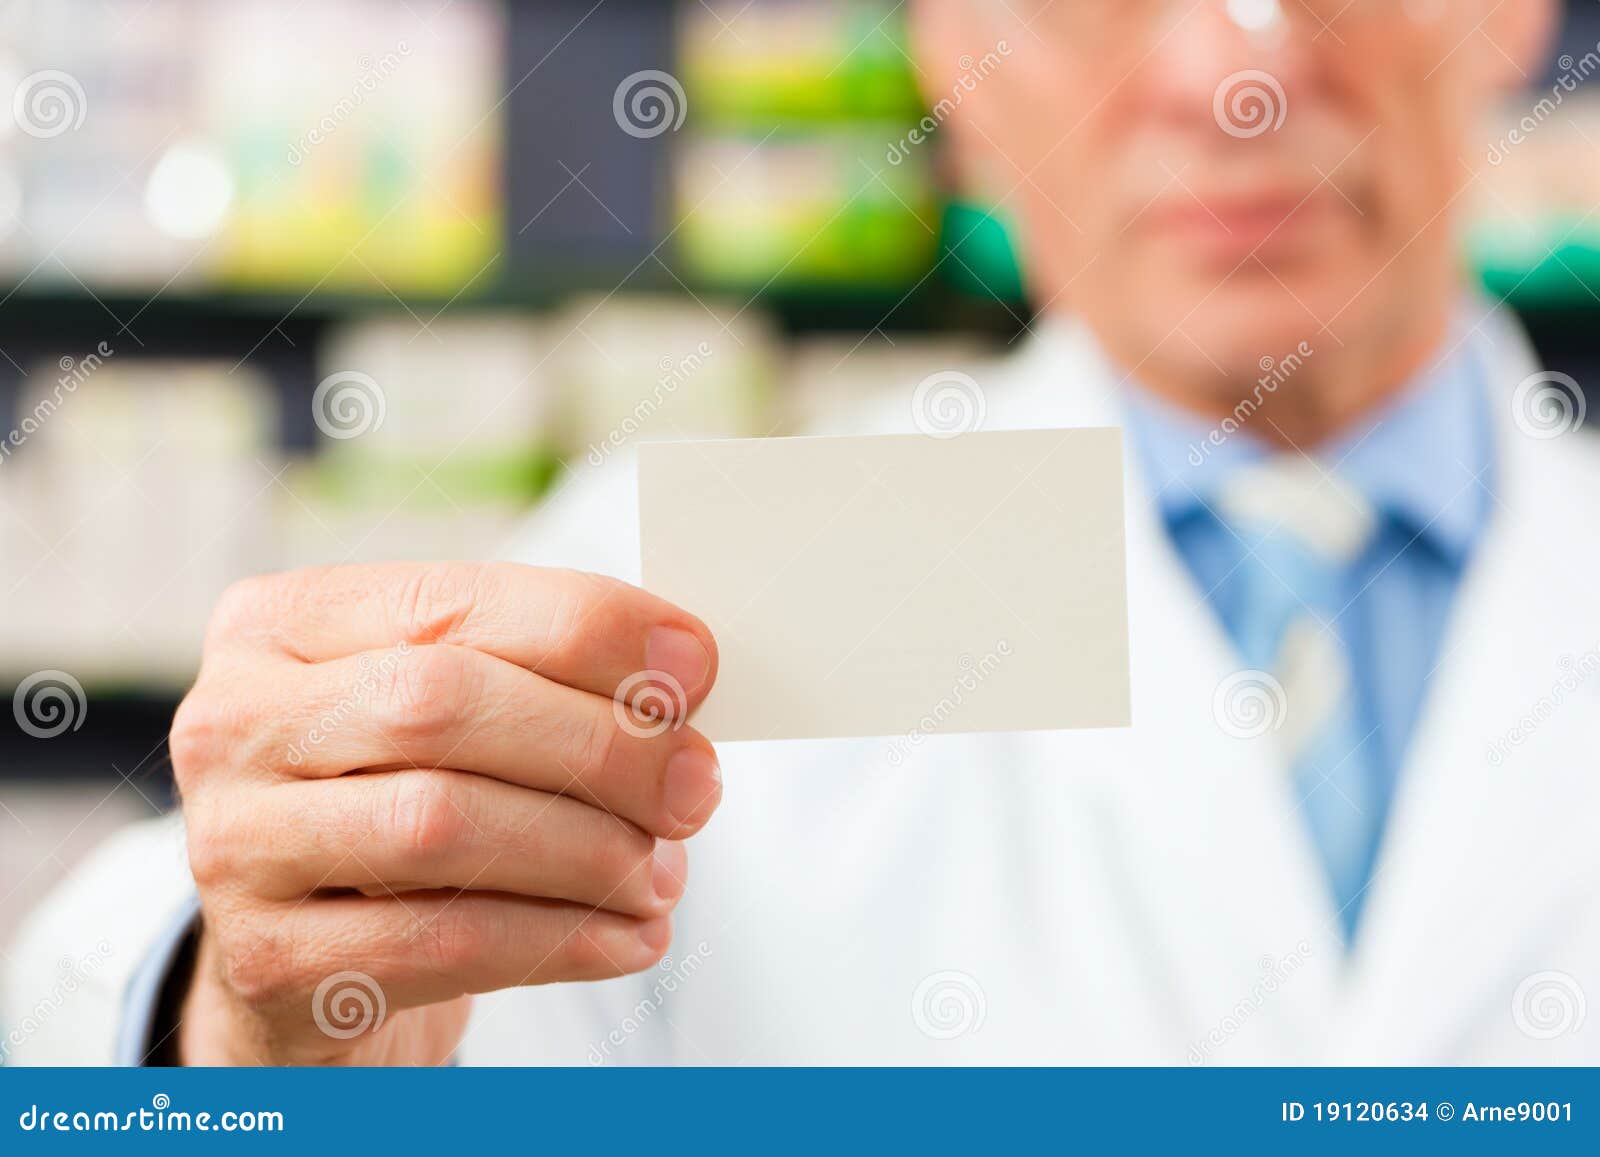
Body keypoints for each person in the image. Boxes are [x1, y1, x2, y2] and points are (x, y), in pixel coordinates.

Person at [6, 0, 1598, 1065]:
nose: (1224, 71)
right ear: (949, 59)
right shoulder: (668, 577)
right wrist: (257, 1001)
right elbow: (121, 1036)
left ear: (1512, 16)